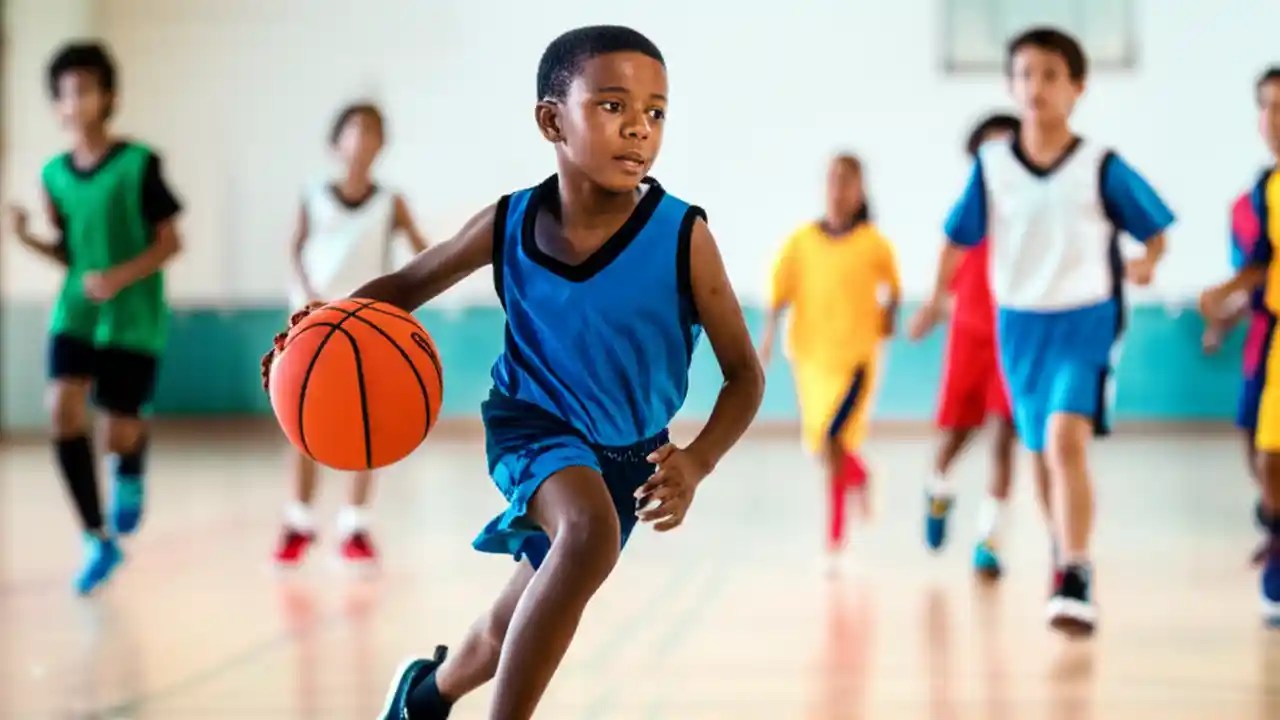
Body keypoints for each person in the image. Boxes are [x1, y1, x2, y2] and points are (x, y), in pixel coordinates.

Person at [262, 25, 763, 718]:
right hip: (532, 426)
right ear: (551, 119)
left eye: (656, 112)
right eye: (613, 106)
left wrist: (698, 462)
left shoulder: (682, 235)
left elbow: (745, 376)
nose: (639, 129)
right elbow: (407, 283)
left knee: (512, 622)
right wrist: (312, 334)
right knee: (585, 535)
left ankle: (425, 695)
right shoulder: (510, 223)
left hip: (628, 455)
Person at [910, 28, 1174, 636]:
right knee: (1041, 456)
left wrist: (1148, 263)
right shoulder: (993, 166)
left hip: (1086, 319)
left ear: (1076, 88)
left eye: (1051, 74)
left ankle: (1077, 574)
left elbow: (1154, 230)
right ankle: (1063, 552)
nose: (1036, 86)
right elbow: (957, 238)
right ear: (1011, 84)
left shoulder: (1099, 166)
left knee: (1064, 442)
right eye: (1025, 74)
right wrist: (933, 300)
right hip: (1019, 326)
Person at [5, 42, 183, 595]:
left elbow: (169, 242)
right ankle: (93, 535)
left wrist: (120, 276)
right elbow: (70, 252)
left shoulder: (139, 165)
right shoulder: (53, 176)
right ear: (55, 105)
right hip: (76, 310)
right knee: (60, 405)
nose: (74, 101)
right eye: (64, 93)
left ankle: (132, 461)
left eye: (85, 89)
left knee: (118, 431)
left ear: (108, 97)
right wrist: (26, 237)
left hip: (133, 314)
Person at [273, 102, 429, 569]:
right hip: (312, 320)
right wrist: (306, 296)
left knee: (366, 424)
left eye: (372, 131)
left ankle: (355, 525)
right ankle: (298, 520)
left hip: (368, 322)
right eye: (354, 129)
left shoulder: (390, 201)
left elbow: (425, 252)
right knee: (301, 424)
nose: (362, 138)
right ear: (335, 142)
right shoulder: (312, 194)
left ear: (382, 144)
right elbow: (295, 247)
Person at [758, 153, 900, 562]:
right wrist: (767, 338)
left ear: (860, 191)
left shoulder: (873, 243)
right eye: (833, 180)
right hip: (812, 359)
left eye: (848, 181)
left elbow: (892, 289)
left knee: (835, 439)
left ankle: (835, 538)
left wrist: (889, 316)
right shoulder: (801, 242)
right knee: (823, 444)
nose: (839, 189)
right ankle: (862, 477)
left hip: (856, 358)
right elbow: (778, 293)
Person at [912, 113, 1021, 579]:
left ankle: (988, 541)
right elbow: (948, 254)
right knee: (957, 434)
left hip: (1015, 334)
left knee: (1004, 440)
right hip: (970, 333)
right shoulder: (969, 212)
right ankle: (938, 488)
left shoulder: (1031, 210)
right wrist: (934, 304)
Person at [1200, 65, 1280, 626]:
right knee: (1264, 452)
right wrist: (1223, 307)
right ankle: (1275, 528)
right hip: (1271, 337)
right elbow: (1257, 266)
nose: (1273, 119)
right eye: (1266, 106)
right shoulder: (1259, 196)